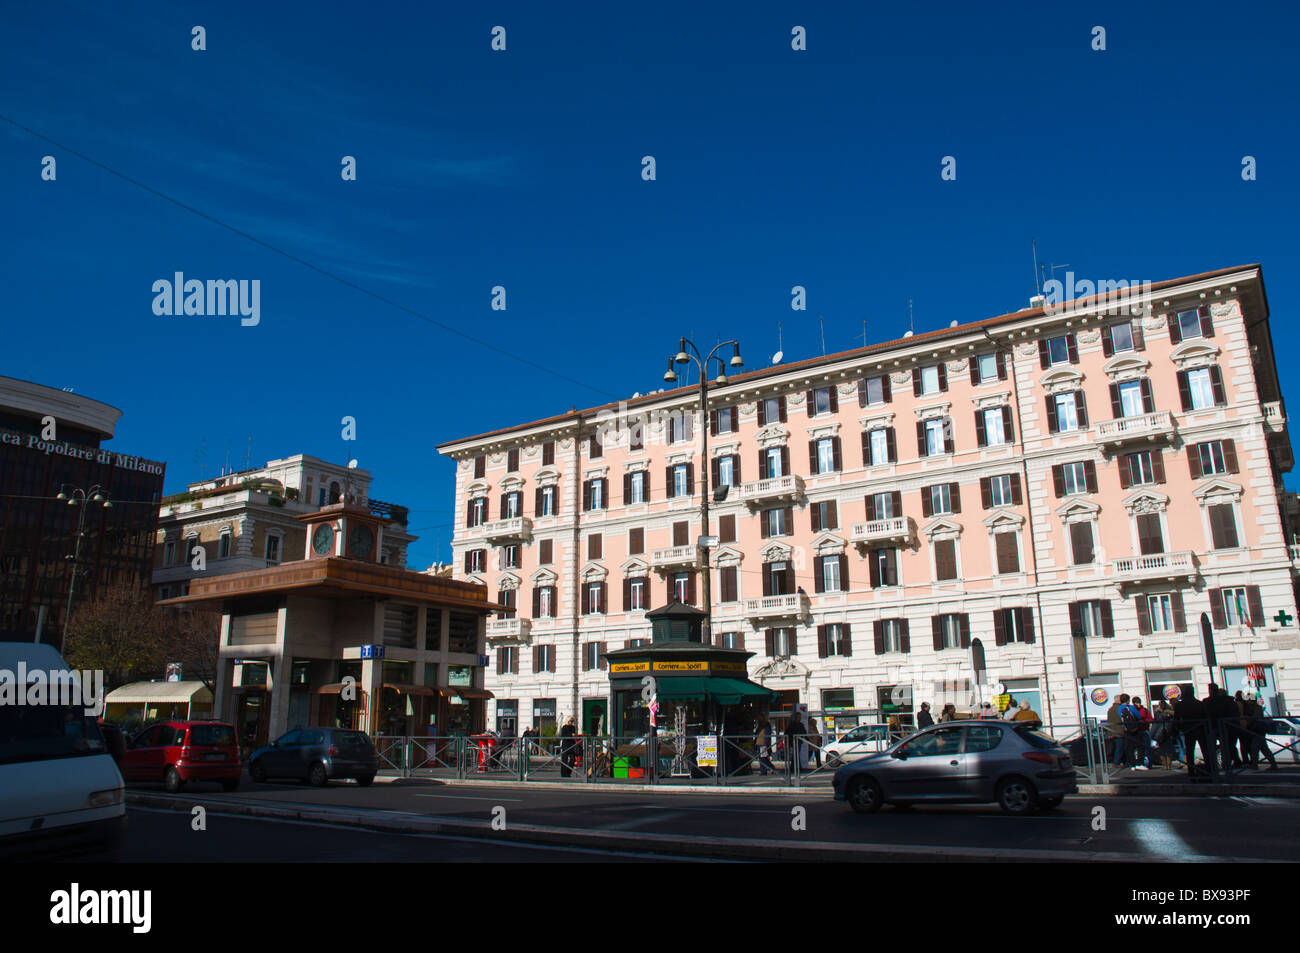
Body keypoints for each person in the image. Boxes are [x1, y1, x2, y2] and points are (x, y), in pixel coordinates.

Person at [1175, 689, 1215, 780]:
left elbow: (1176, 719)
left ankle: (1191, 770)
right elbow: (1206, 716)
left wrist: (1178, 728)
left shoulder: (1180, 705)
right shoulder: (1199, 703)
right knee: (1205, 750)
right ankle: (1209, 769)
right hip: (1200, 729)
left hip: (1188, 729)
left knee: (1190, 751)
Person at [1203, 684, 1242, 773]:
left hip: (1214, 726)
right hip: (1226, 726)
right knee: (1227, 746)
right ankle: (1227, 764)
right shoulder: (1228, 700)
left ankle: (1214, 766)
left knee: (1215, 747)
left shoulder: (1208, 701)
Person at [1243, 694, 1278, 770]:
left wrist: (1248, 719)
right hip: (1259, 730)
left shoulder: (1256, 707)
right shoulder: (1257, 707)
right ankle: (1272, 764)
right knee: (1263, 748)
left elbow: (1255, 718)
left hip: (1258, 730)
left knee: (1255, 747)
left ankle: (1255, 764)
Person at [1106, 695, 1129, 767]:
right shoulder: (1120, 708)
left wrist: (1110, 733)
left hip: (1112, 731)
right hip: (1120, 731)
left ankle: (1123, 761)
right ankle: (1117, 762)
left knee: (1118, 747)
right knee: (1120, 748)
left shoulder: (1110, 709)